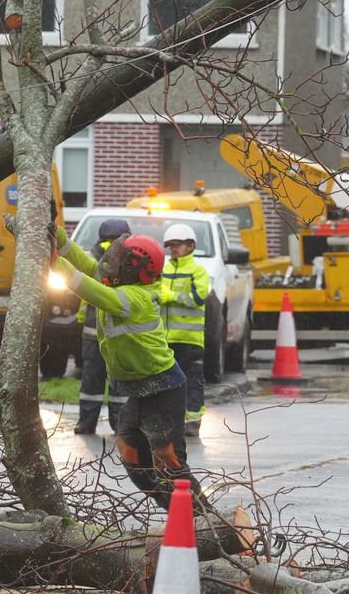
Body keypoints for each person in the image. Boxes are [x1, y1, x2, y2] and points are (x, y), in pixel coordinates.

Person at [53, 226, 207, 510]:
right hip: (141, 388)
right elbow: (88, 266)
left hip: (163, 387)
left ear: (136, 268)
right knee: (132, 454)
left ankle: (203, 520)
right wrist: (59, 240)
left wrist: (53, 263)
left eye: (120, 260)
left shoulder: (134, 297)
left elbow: (89, 288)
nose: (111, 264)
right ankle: (177, 515)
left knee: (168, 462)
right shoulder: (119, 283)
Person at [73, 218, 132, 435]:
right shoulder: (101, 261)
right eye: (110, 241)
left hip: (107, 333)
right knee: (102, 381)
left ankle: (106, 424)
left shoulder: (126, 261)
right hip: (102, 333)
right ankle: (101, 424)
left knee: (107, 381)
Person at [159, 223, 212, 437]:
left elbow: (198, 298)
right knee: (167, 384)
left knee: (192, 382)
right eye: (170, 246)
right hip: (165, 339)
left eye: (177, 245)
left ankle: (193, 422)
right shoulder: (164, 269)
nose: (173, 249)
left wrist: (171, 296)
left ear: (190, 246)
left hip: (190, 339)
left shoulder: (198, 271)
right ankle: (171, 421)